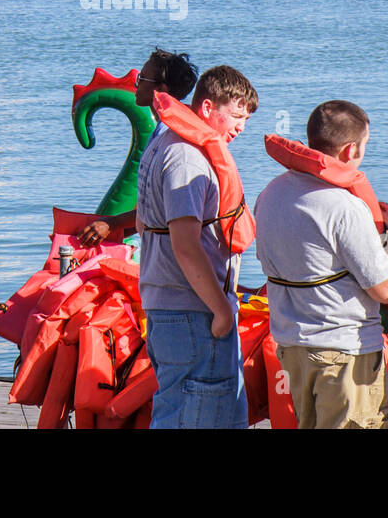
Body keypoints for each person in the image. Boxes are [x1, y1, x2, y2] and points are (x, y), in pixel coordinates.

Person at [255, 100, 388, 428]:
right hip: (344, 351)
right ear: (350, 151)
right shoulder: (345, 207)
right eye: (364, 147)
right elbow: (385, 290)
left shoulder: (270, 194)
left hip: (292, 346)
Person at [137, 65, 257, 429]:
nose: (240, 127)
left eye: (246, 119)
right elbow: (185, 245)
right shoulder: (188, 158)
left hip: (170, 309)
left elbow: (143, 224)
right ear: (207, 109)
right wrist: (221, 310)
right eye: (235, 115)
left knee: (193, 413)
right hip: (194, 314)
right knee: (199, 418)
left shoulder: (162, 141)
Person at [77, 48, 199, 247]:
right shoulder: (159, 132)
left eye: (142, 79)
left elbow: (164, 208)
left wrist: (112, 223)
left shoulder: (173, 140)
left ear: (162, 88)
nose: (136, 84)